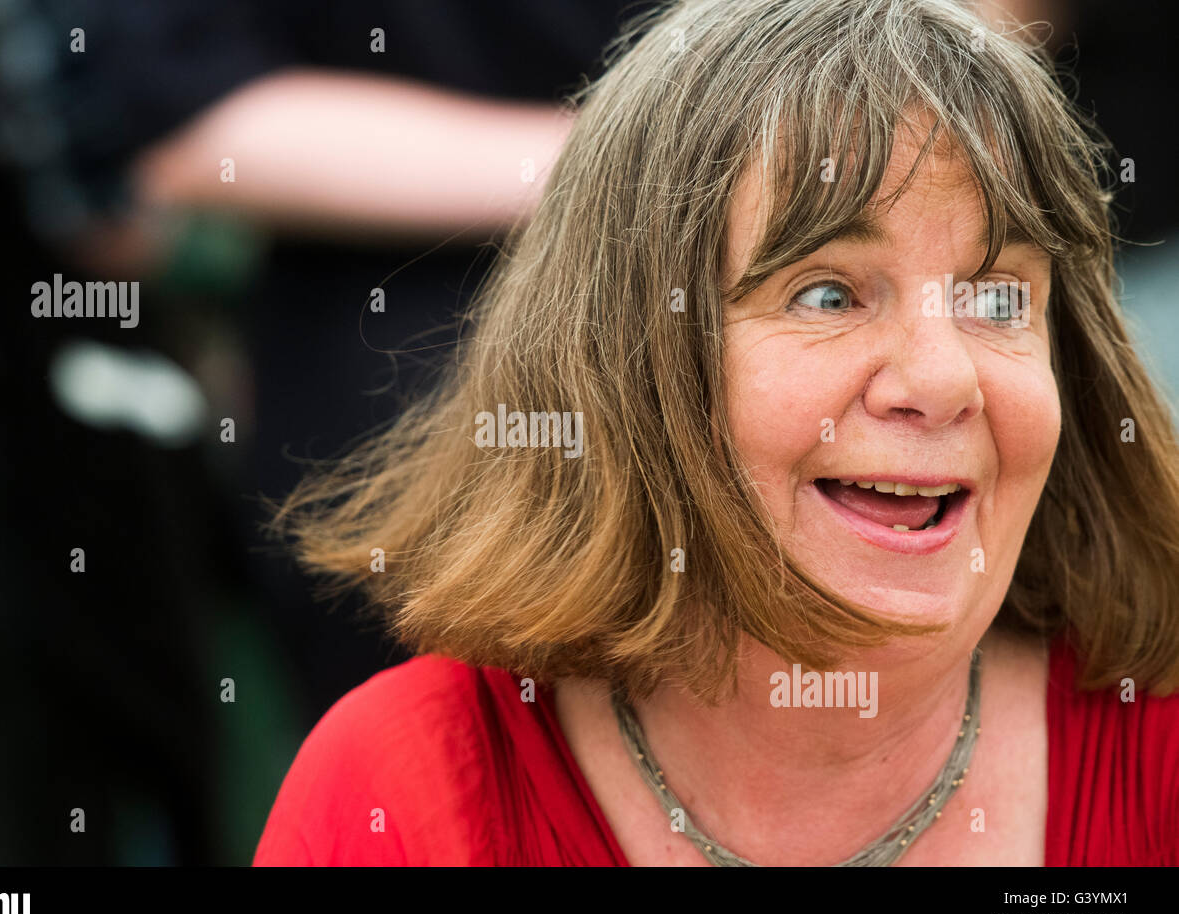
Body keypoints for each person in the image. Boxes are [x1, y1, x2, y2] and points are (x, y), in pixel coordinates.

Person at [252, 0, 1179, 866]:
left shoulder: (1157, 742)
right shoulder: (405, 793)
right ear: (629, 365)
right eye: (828, 294)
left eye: (995, 299)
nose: (941, 382)